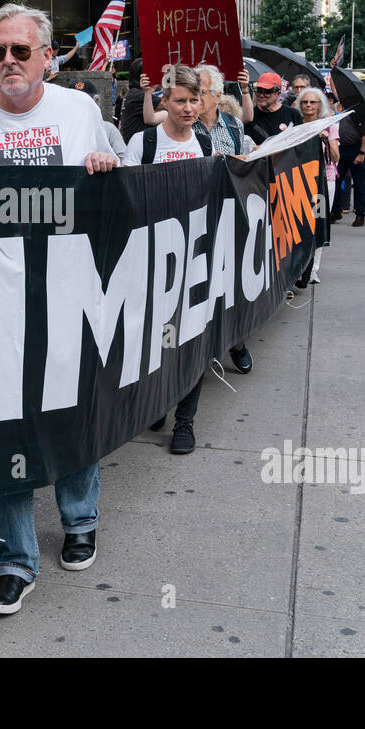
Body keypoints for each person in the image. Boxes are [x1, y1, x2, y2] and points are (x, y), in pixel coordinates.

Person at [0, 2, 118, 615]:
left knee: (70, 407)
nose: (7, 61)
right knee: (4, 422)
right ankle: (15, 558)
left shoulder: (81, 111)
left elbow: (129, 193)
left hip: (69, 293)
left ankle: (80, 517)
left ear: (46, 58)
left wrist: (105, 169)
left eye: (20, 51)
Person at [122, 66, 212, 454]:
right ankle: (156, 403)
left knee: (191, 339)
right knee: (154, 340)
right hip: (149, 260)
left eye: (194, 99)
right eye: (180, 100)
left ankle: (184, 423)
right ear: (165, 101)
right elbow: (122, 197)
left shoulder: (205, 142)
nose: (188, 107)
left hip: (193, 260)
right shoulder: (143, 142)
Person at [294, 87, 338, 284]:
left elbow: (336, 157)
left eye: (313, 102)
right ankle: (297, 267)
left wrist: (326, 139)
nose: (309, 106)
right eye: (305, 102)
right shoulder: (296, 124)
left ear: (320, 105)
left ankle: (313, 270)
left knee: (317, 222)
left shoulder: (329, 125)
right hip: (299, 181)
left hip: (324, 182)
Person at [334, 88, 365, 227]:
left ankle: (360, 215)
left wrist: (362, 153)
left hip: (357, 148)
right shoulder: (345, 106)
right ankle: (336, 210)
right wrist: (333, 70)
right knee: (337, 180)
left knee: (359, 183)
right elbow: (335, 90)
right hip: (342, 148)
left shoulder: (362, 110)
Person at [248, 72, 303, 144]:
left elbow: (300, 144)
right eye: (259, 91)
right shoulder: (251, 116)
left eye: (267, 92)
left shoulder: (292, 114)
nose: (261, 95)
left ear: (278, 93)